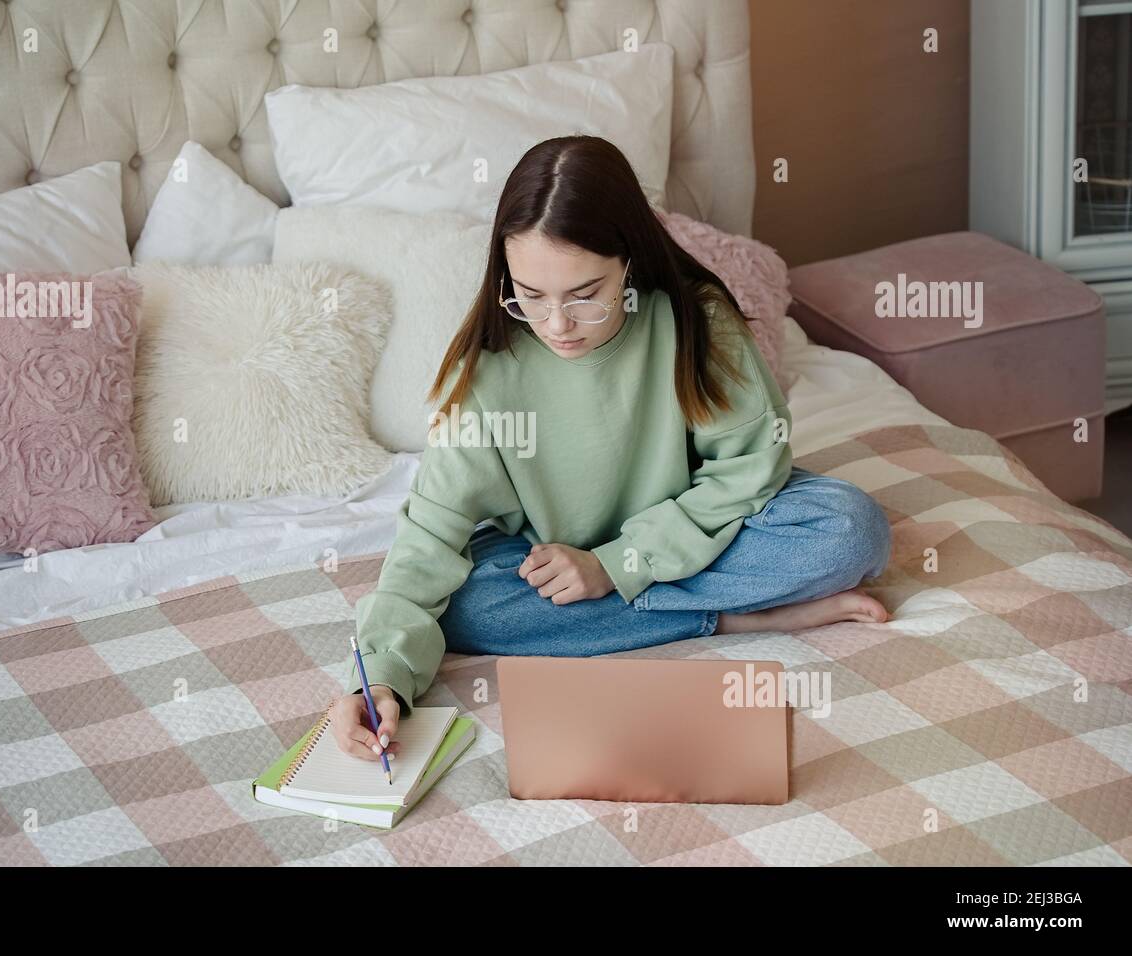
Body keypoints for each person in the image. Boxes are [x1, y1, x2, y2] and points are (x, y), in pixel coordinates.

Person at [330, 135, 890, 763]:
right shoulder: (490, 371)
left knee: (847, 530)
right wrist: (380, 679)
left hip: (693, 537)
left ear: (627, 259)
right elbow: (431, 534)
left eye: (583, 293)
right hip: (559, 562)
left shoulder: (696, 323)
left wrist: (615, 565)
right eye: (531, 295)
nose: (556, 325)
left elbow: (751, 469)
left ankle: (652, 605)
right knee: (467, 608)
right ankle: (731, 617)